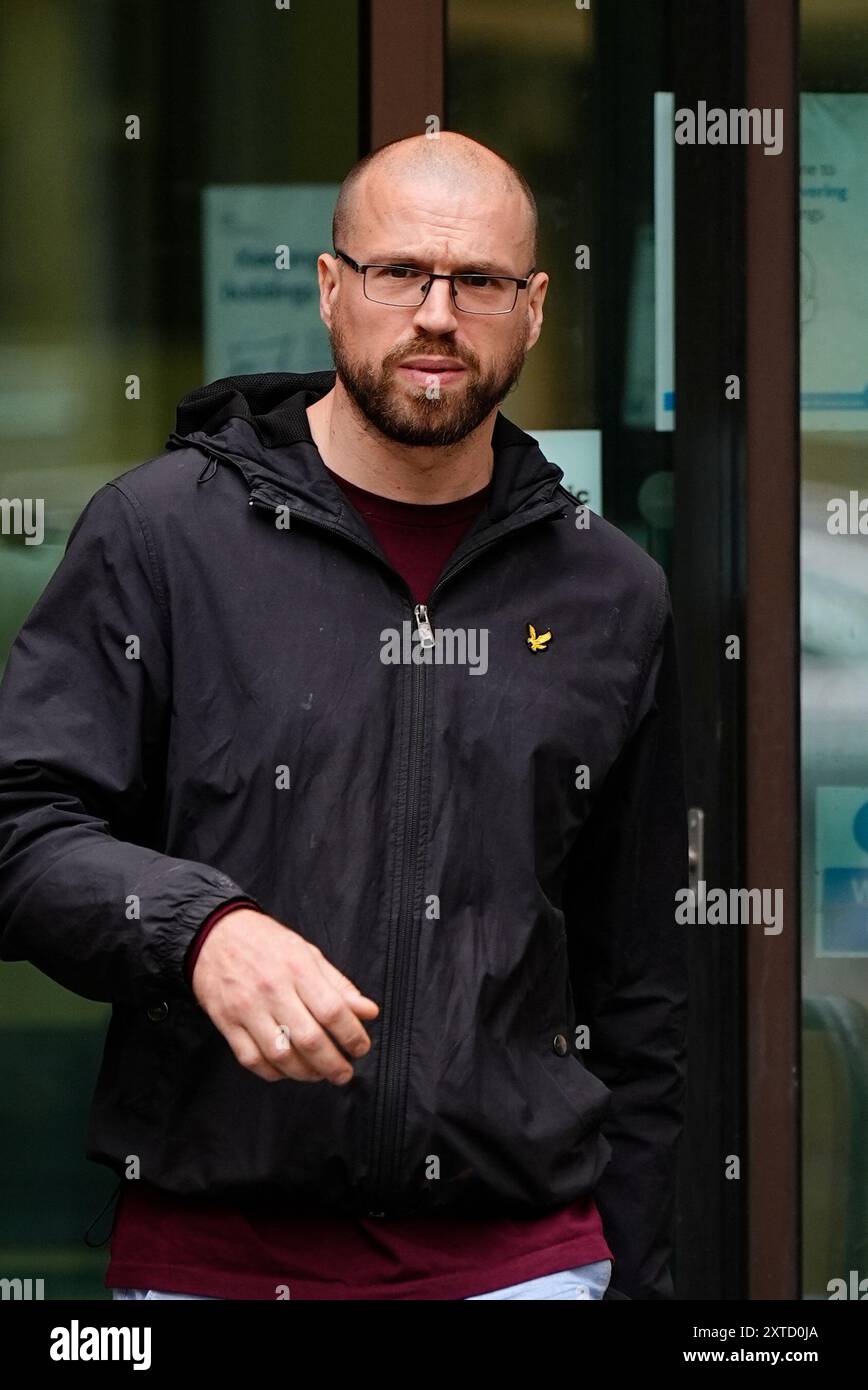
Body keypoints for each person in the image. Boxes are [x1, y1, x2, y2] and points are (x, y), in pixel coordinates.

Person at [0, 131, 688, 1301]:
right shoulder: (163, 538)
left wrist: (634, 1272)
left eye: (475, 282)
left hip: (522, 1266)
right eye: (397, 273)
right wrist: (200, 931)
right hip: (214, 1259)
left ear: (531, 309)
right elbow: (22, 831)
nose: (435, 313)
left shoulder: (608, 590)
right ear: (330, 289)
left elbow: (641, 989)